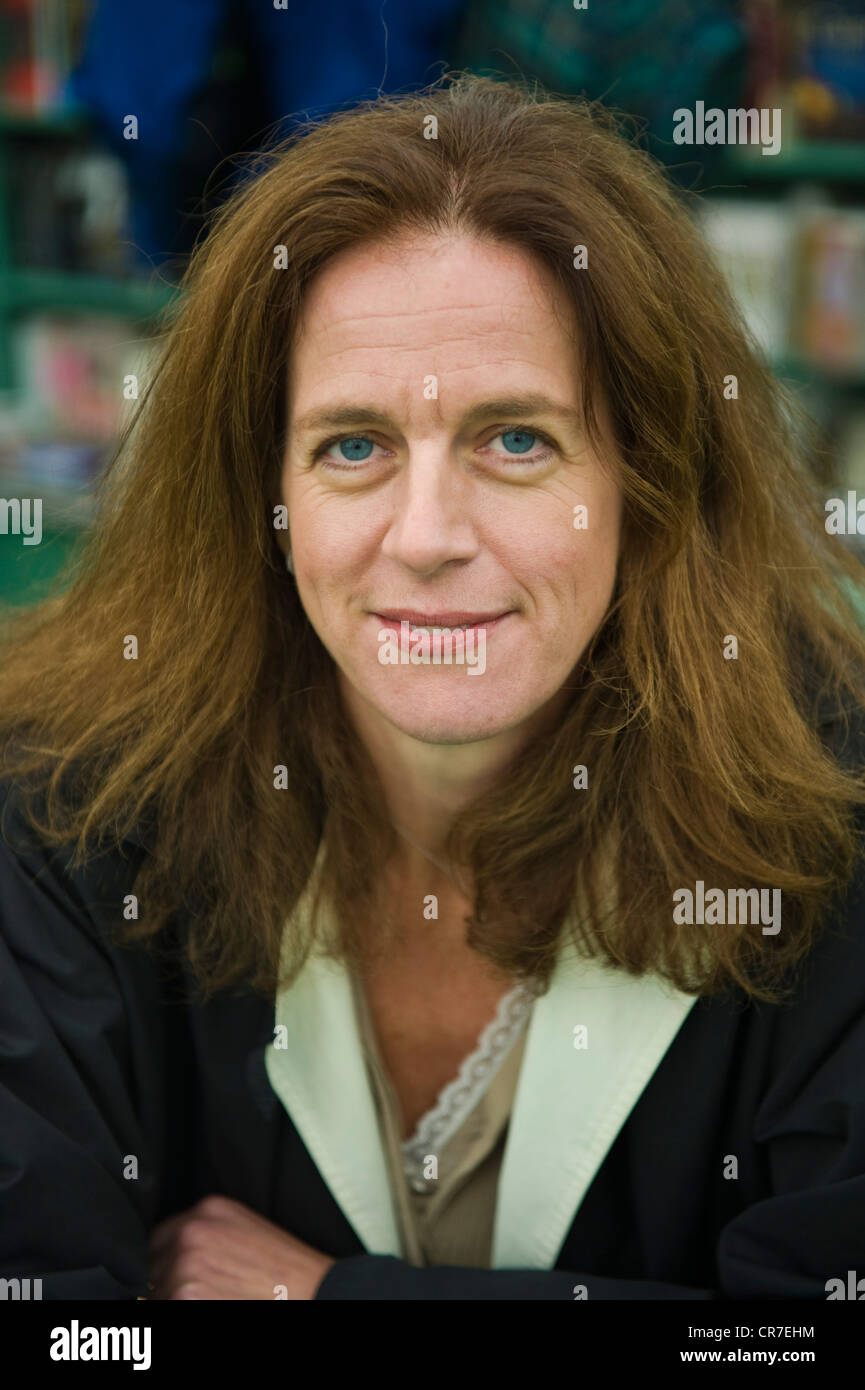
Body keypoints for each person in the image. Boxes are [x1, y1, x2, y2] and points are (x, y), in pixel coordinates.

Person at [1, 71, 865, 1302]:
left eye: (515, 440)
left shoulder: (837, 819)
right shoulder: (63, 804)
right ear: (262, 495)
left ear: (650, 481)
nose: (426, 537)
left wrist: (331, 1299)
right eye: (352, 445)